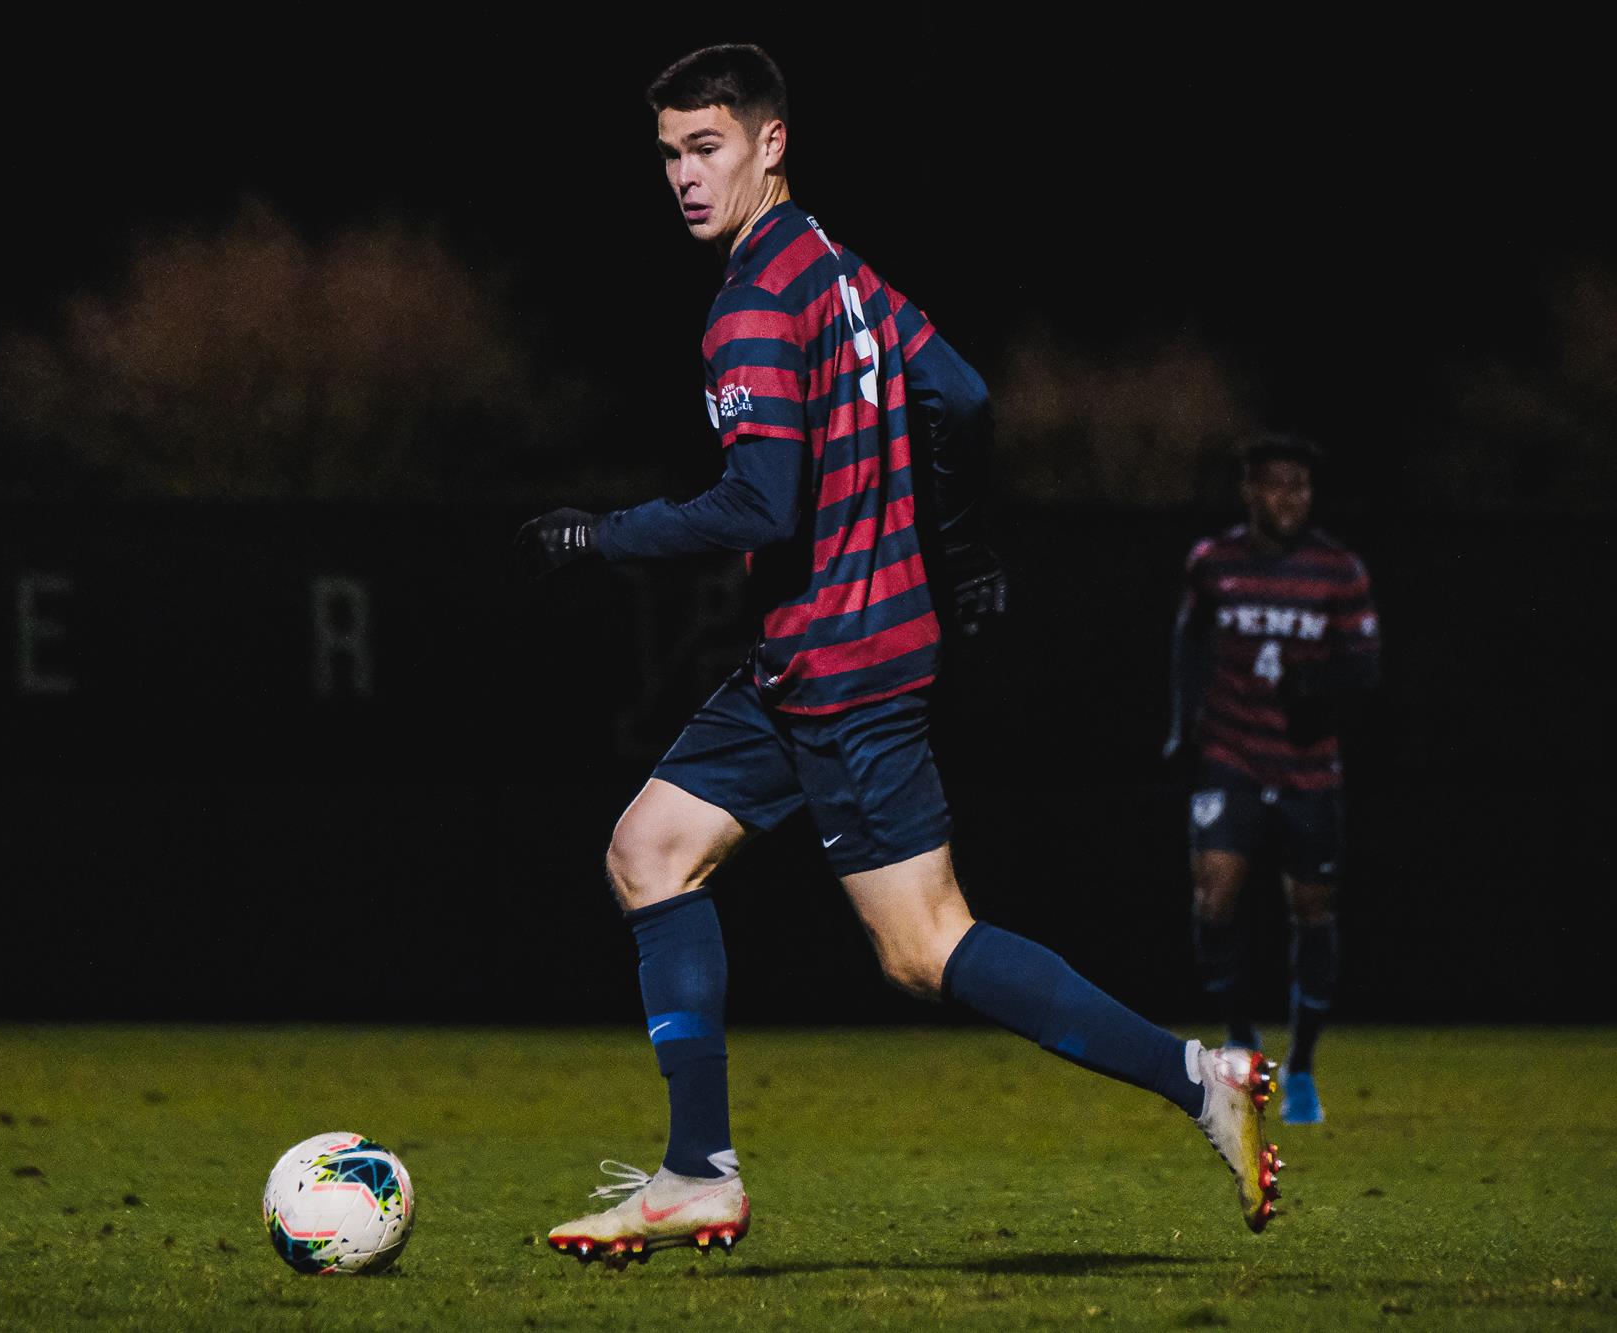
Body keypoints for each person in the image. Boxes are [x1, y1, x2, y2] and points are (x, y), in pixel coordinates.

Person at [516, 44, 1279, 1268]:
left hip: (838, 668)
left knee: (924, 948)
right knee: (647, 849)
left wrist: (600, 535)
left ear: (770, 143)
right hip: (816, 655)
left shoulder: (752, 305)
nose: (683, 175)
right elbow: (961, 395)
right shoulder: (834, 266)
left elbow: (759, 504)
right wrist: (955, 539)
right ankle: (696, 1172)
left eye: (706, 146)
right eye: (666, 154)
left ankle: (1198, 1080)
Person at [1164, 433, 1381, 1125]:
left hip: (1308, 767)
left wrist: (1321, 688)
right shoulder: (1213, 562)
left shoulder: (1338, 569)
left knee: (1312, 910)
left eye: (1301, 485)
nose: (1290, 497)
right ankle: (1241, 1037)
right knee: (1213, 898)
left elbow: (1366, 667)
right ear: (1250, 490)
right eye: (1277, 483)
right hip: (1231, 756)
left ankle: (1303, 1066)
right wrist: (1183, 725)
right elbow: (1188, 642)